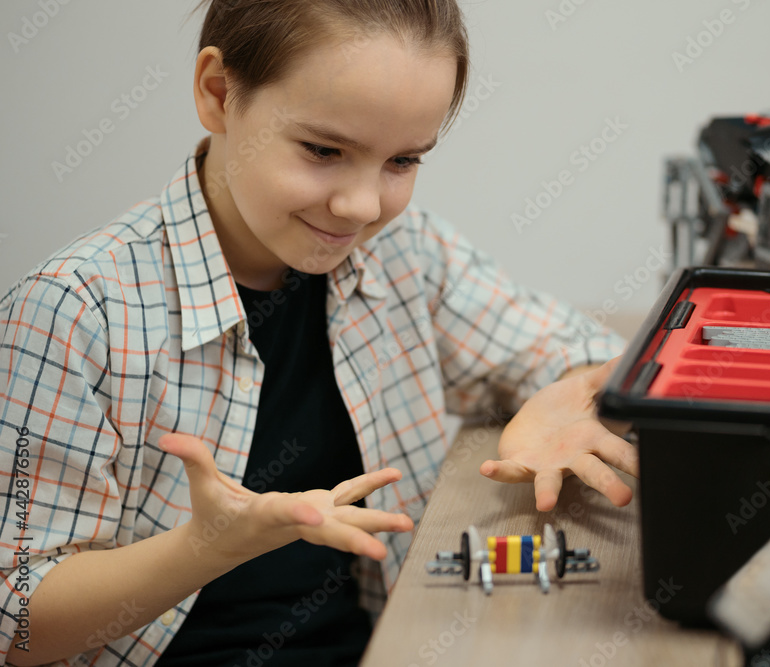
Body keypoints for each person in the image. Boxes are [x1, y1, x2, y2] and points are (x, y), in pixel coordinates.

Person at [0, 1, 636, 665]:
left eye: (402, 161)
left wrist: (568, 392)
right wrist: (205, 548)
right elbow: (17, 624)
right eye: (324, 150)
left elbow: (574, 353)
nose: (362, 206)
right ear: (218, 93)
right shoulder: (76, 311)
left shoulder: (403, 255)